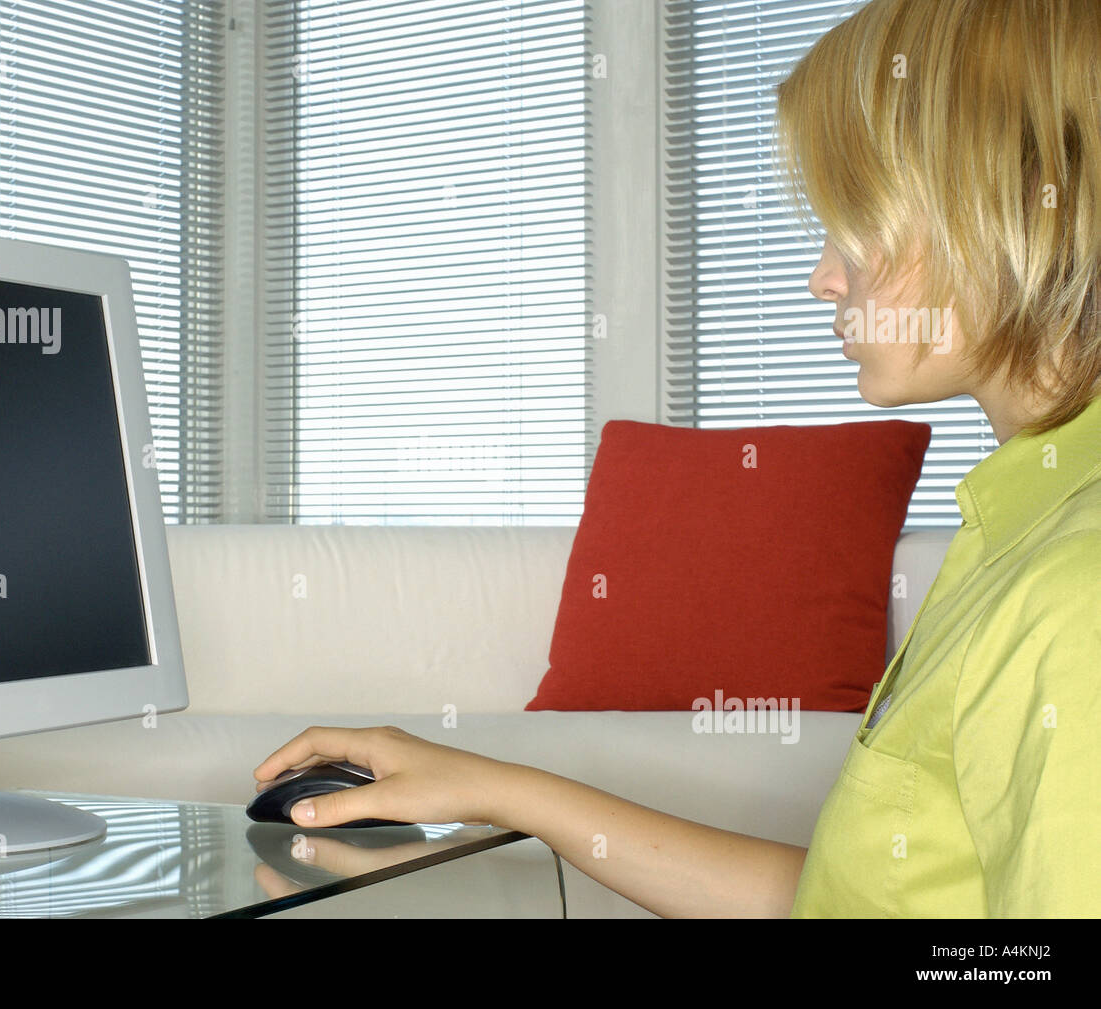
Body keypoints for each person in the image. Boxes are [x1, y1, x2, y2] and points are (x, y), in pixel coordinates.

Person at [254, 0, 1101, 917]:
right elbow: (840, 901)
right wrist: (495, 787)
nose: (823, 274)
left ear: (1007, 202)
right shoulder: (1020, 529)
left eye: (854, 222)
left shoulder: (1073, 587)